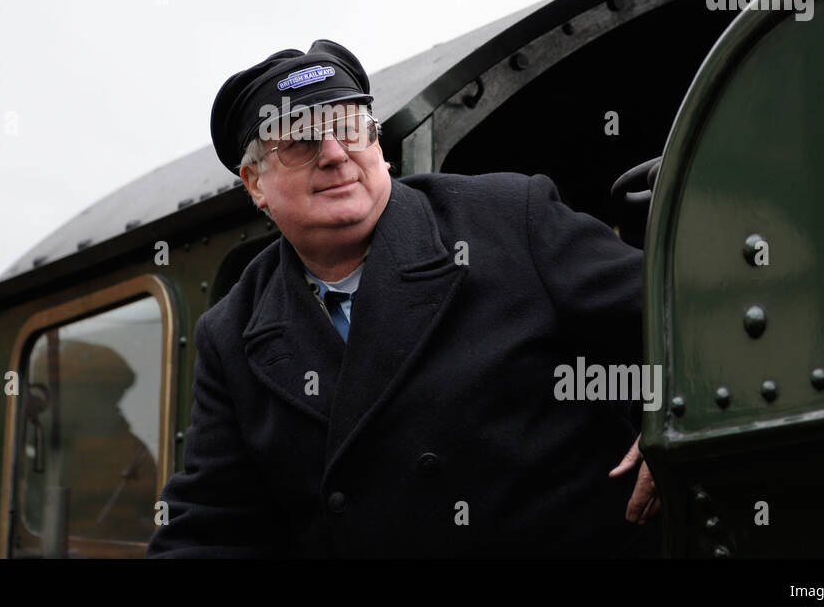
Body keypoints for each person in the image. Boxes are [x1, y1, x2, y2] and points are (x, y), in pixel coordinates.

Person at [147, 39, 660, 557]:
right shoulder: (229, 334)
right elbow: (212, 524)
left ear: (377, 148)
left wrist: (674, 429)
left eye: (349, 128)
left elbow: (683, 309)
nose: (333, 154)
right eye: (301, 140)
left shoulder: (508, 218)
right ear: (255, 183)